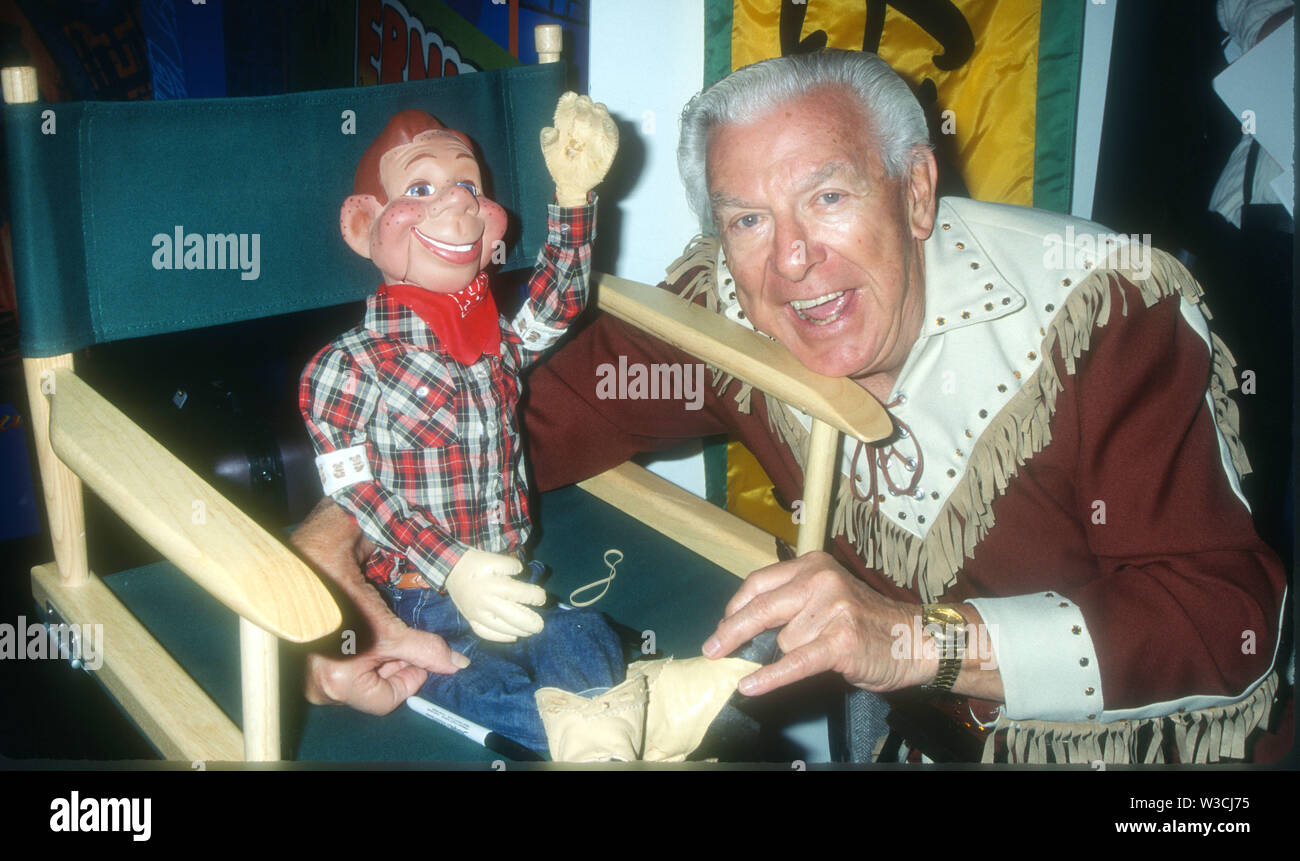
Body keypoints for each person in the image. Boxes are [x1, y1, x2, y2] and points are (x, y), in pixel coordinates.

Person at [294, 50, 1288, 763]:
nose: (792, 258)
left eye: (827, 198)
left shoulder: (1110, 316)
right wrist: (344, 595)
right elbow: (489, 429)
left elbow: (1229, 625)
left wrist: (910, 641)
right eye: (747, 219)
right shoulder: (724, 309)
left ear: (914, 190)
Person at [296, 98, 623, 753]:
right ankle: (594, 736)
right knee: (477, 678)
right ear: (364, 227)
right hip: (417, 593)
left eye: (468, 185)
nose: (458, 203)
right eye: (420, 188)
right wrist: (455, 567)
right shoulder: (348, 367)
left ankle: (608, 727)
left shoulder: (494, 341)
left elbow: (557, 306)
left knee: (588, 635)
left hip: (513, 576)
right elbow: (355, 493)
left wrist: (573, 193)